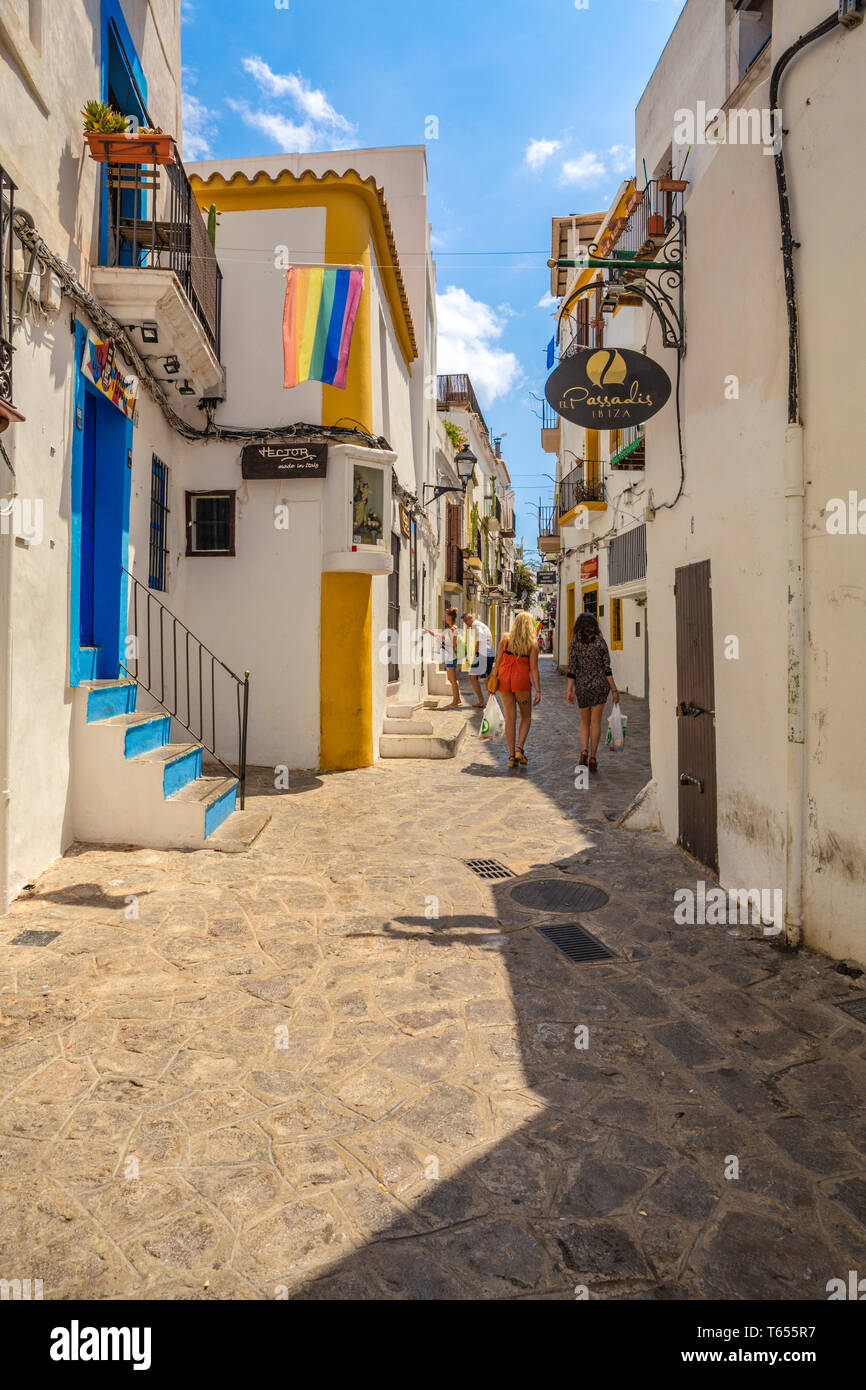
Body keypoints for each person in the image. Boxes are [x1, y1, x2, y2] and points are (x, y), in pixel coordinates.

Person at [566, 611, 620, 773]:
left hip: (582, 686)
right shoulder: (601, 643)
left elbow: (572, 668)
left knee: (585, 722)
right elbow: (607, 669)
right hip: (600, 685)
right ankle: (593, 757)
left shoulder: (575, 643)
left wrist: (569, 689)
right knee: (596, 721)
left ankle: (584, 750)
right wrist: (614, 690)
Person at [490, 611, 541, 769]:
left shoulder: (505, 639)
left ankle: (511, 757)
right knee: (526, 717)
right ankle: (519, 749)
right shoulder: (532, 643)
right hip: (521, 682)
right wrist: (538, 690)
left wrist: (493, 680)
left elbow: (498, 661)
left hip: (504, 680)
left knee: (510, 718)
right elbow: (533, 668)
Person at [424, 608, 461, 707]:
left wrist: (444, 642)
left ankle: (455, 702)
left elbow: (454, 644)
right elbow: (439, 636)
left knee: (452, 680)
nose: (444, 617)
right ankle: (458, 699)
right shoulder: (450, 629)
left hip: (451, 657)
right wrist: (428, 631)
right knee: (450, 679)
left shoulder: (453, 629)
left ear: (450, 617)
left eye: (445, 615)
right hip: (450, 656)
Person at [462, 612, 495, 708]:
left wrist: (476, 652)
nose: (465, 623)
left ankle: (483, 701)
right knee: (486, 678)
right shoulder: (480, 625)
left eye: (466, 621)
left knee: (473, 677)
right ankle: (489, 702)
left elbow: (480, 639)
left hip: (483, 654)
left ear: (471, 618)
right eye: (464, 621)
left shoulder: (476, 625)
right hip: (488, 653)